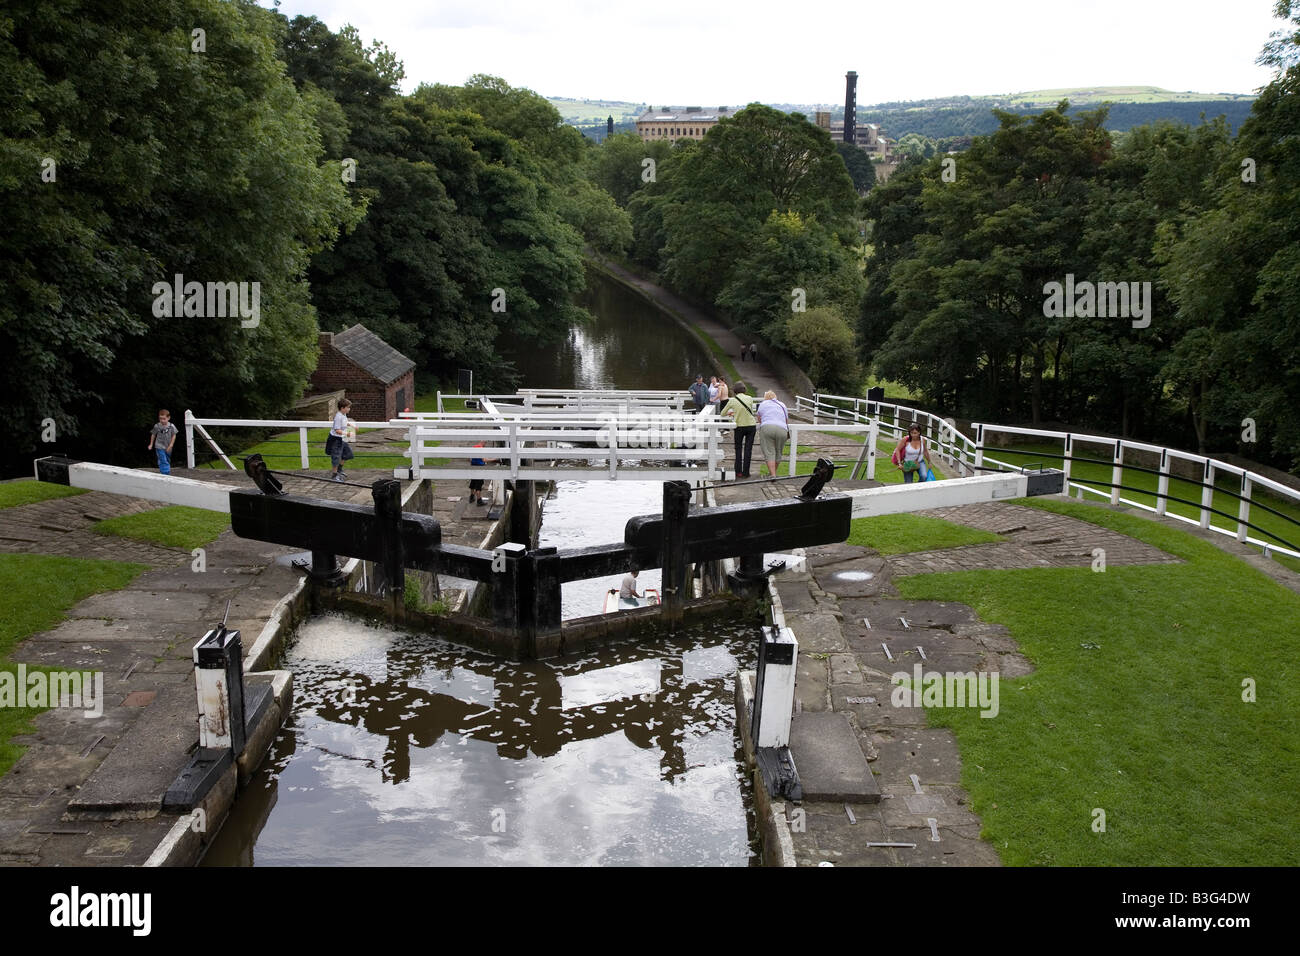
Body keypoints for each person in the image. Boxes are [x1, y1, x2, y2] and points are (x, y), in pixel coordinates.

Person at [721, 383, 757, 478]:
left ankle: (738, 472)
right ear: (744, 389)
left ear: (734, 390)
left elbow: (722, 413)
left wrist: (732, 413)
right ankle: (746, 473)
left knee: (738, 449)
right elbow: (750, 412)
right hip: (751, 425)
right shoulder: (749, 398)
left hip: (739, 426)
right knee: (748, 450)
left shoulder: (732, 400)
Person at [756, 390, 790, 479]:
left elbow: (759, 419)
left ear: (766, 397)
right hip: (782, 429)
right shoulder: (782, 405)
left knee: (769, 452)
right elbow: (786, 421)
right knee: (779, 452)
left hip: (767, 427)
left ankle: (773, 474)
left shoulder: (763, 404)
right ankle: (773, 474)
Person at [326, 398, 354, 482]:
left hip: (342, 439)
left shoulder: (343, 415)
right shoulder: (338, 417)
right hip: (336, 439)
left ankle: (339, 470)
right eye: (348, 407)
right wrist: (347, 434)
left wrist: (352, 426)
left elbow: (345, 423)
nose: (349, 409)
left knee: (347, 454)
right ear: (342, 408)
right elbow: (337, 430)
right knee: (336, 457)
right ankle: (334, 475)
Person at [147, 409, 177, 475]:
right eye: (160, 419)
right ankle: (165, 473)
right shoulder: (157, 426)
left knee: (166, 459)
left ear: (168, 418)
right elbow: (153, 434)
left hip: (168, 446)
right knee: (163, 458)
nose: (162, 420)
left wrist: (171, 445)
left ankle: (162, 469)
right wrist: (151, 444)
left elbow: (174, 435)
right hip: (159, 445)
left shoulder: (171, 426)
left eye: (164, 419)